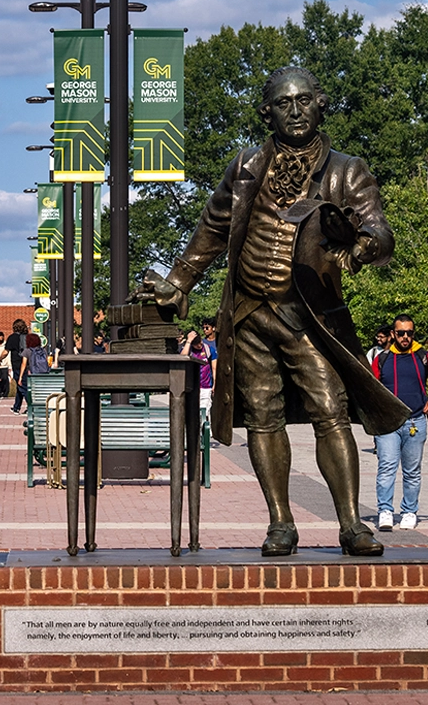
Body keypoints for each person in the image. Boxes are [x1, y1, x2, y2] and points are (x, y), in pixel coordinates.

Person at [132, 66, 408, 557]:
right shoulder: (244, 166)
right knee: (262, 416)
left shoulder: (348, 169)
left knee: (332, 410)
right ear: (268, 111)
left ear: (321, 103)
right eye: (284, 103)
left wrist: (364, 245)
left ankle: (350, 524)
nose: (296, 110)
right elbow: (213, 230)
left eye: (304, 100)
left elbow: (379, 230)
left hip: (310, 317)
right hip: (249, 314)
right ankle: (280, 523)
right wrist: (179, 280)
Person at [370, 315, 428, 531]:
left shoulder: (422, 355)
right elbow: (370, 384)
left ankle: (409, 512)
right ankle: (385, 511)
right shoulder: (383, 358)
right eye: (401, 333)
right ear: (393, 334)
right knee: (386, 467)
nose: (405, 337)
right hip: (388, 423)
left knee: (412, 471)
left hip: (415, 420)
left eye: (409, 333)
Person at [181, 328, 216, 422]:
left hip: (206, 386)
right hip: (191, 387)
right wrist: (188, 341)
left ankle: (203, 433)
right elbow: (182, 357)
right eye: (197, 345)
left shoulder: (209, 349)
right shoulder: (188, 349)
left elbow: (214, 368)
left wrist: (215, 384)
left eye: (200, 342)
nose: (200, 345)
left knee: (204, 411)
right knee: (192, 412)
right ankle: (199, 433)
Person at [6, 319, 29, 414]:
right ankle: (16, 407)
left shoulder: (12, 338)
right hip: (28, 364)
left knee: (22, 386)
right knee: (21, 385)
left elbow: (6, 351)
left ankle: (31, 405)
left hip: (17, 365)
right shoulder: (28, 337)